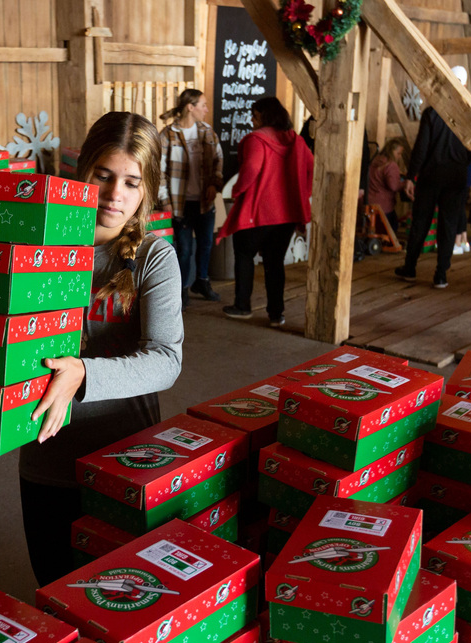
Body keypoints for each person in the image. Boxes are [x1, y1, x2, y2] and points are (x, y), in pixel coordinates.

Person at [18, 112, 183, 586]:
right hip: (45, 455)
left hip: (123, 459)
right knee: (53, 587)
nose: (115, 195)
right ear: (82, 172)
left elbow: (166, 361)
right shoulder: (40, 248)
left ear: (146, 189)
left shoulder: (153, 256)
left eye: (131, 182)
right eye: (104, 177)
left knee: (119, 595)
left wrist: (83, 374)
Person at [217, 98, 314, 326]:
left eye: (254, 114)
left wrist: (238, 190)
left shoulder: (256, 140)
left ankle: (242, 306)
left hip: (258, 212)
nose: (251, 119)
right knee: (274, 262)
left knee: (243, 253)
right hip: (287, 213)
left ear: (263, 116)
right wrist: (300, 194)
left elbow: (251, 169)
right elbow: (311, 168)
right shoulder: (297, 141)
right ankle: (276, 314)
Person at [395, 65, 471, 289]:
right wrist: (460, 166)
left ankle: (410, 268)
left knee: (420, 222)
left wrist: (411, 176)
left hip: (431, 177)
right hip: (455, 178)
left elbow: (421, 148)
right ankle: (441, 275)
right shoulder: (470, 117)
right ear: (465, 86)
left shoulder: (432, 113)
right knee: (448, 225)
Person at [157, 89, 225, 307]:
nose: (206, 109)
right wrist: (165, 201)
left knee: (206, 244)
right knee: (184, 249)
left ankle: (202, 281)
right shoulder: (167, 134)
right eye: (203, 105)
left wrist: (215, 184)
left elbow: (218, 161)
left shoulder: (207, 132)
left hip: (205, 202)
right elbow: (158, 171)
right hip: (180, 204)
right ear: (190, 107)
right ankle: (182, 288)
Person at [367, 137, 411, 234]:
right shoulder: (390, 165)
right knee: (393, 227)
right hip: (383, 206)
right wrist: (406, 184)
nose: (399, 157)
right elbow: (393, 186)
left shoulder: (375, 160)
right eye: (398, 153)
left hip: (369, 201)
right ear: (392, 151)